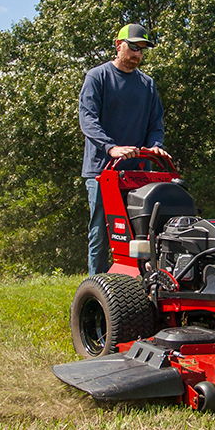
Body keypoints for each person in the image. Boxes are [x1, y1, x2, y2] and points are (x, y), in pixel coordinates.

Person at [79, 23, 169, 275]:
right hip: (102, 170)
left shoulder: (147, 84)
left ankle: (143, 284)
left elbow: (156, 124)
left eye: (142, 49)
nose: (137, 54)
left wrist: (155, 147)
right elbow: (88, 119)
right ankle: (96, 288)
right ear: (119, 46)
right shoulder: (98, 77)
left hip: (138, 173)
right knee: (101, 232)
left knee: (143, 232)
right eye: (134, 47)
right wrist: (111, 148)